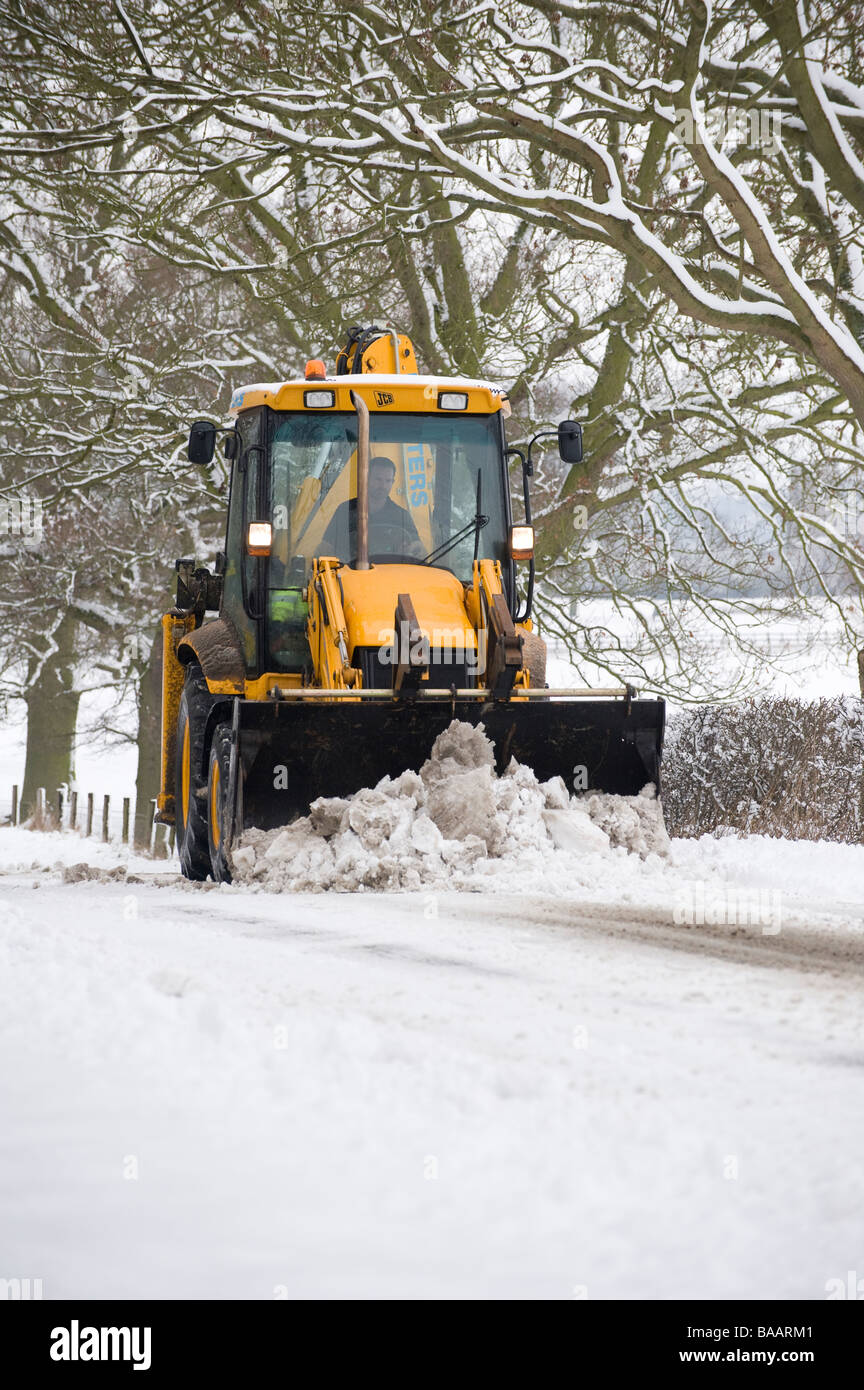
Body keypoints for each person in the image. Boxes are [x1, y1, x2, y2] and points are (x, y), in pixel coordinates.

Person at [319, 455, 423, 561]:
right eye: (378, 479)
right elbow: (326, 546)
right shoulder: (345, 510)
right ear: (367, 478)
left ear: (393, 482)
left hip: (391, 572)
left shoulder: (401, 515)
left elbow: (418, 548)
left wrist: (411, 549)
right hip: (349, 572)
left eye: (388, 481)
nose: (383, 485)